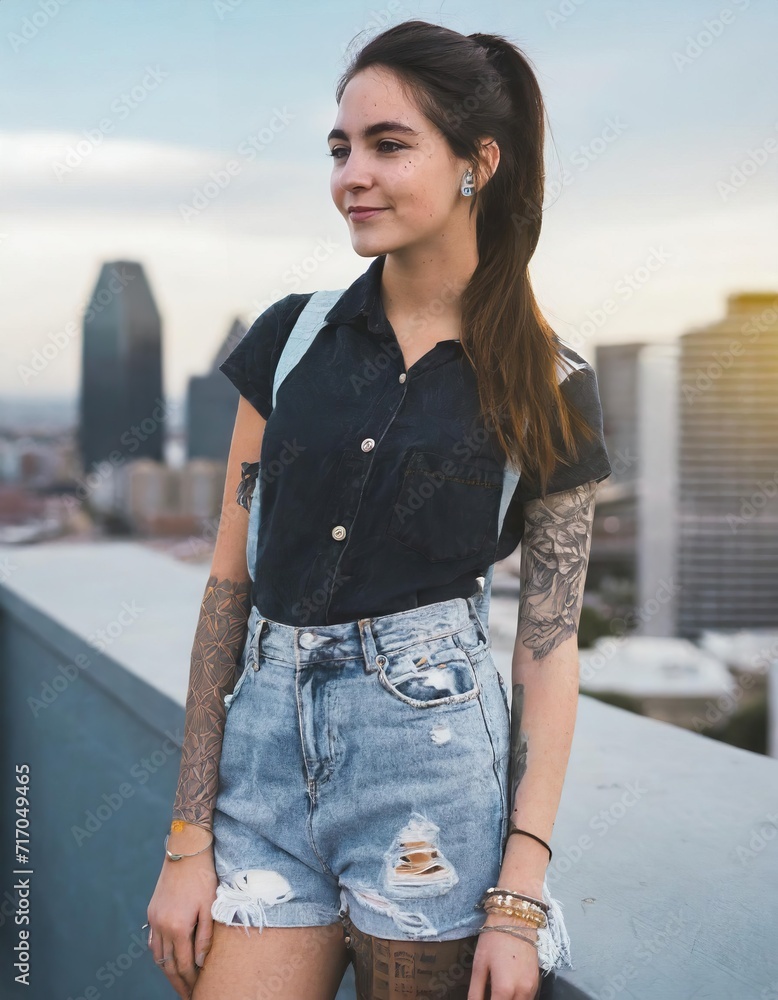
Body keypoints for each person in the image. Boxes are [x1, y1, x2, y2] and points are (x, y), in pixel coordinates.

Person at [146, 19, 612, 1000]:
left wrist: (517, 895)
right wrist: (188, 839)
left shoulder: (549, 380)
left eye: (388, 144)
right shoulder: (287, 339)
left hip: (431, 785)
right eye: (340, 147)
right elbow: (227, 592)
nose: (351, 172)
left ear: (476, 163)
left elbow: (546, 647)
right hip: (262, 773)